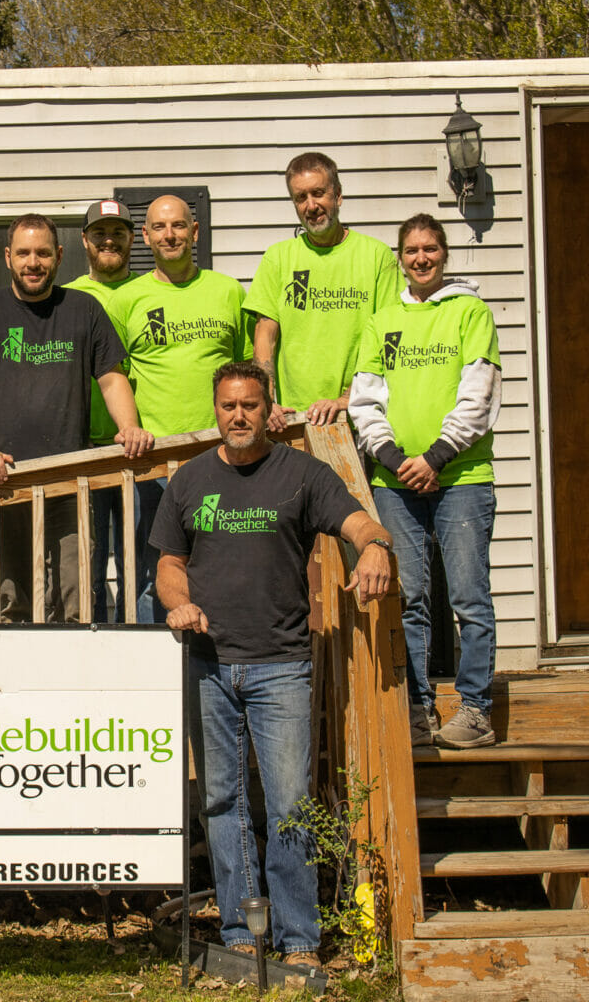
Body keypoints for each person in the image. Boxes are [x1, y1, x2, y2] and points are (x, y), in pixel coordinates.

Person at [151, 360, 393, 970]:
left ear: (268, 409)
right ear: (216, 409)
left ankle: (299, 939)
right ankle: (239, 934)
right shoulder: (189, 480)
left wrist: (376, 547)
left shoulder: (301, 474)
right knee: (221, 802)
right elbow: (169, 567)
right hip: (208, 664)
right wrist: (179, 606)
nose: (239, 416)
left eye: (250, 406)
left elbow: (356, 520)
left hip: (281, 664)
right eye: (229, 406)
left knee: (288, 803)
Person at [0, 213, 153, 622]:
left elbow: (112, 379)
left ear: (59, 256)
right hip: (2, 482)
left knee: (76, 601)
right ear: (8, 257)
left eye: (43, 253)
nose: (33, 262)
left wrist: (129, 427)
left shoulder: (83, 309)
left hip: (70, 480)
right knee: (9, 603)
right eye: (23, 253)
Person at [349, 214, 502, 748]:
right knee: (408, 598)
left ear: (444, 254)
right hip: (395, 486)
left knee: (468, 597)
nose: (421, 259)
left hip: (462, 477)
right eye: (411, 250)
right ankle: (418, 709)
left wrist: (434, 457)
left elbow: (478, 397)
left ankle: (476, 710)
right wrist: (394, 459)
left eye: (430, 249)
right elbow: (365, 400)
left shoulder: (471, 312)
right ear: (400, 258)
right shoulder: (381, 320)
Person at [106, 194, 251, 622]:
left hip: (220, 457)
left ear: (195, 231)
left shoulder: (227, 291)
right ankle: (158, 677)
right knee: (154, 574)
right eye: (159, 227)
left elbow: (245, 371)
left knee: (225, 564)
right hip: (153, 463)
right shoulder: (126, 301)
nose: (170, 235)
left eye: (178, 226)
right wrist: (129, 427)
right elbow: (113, 375)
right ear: (145, 237)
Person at [245, 151, 402, 430]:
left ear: (338, 195)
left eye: (318, 193)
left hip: (361, 418)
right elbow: (265, 335)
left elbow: (390, 337)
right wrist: (265, 401)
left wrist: (347, 398)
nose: (311, 205)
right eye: (300, 197)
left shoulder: (376, 256)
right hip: (295, 421)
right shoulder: (278, 258)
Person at [64, 199, 140, 621]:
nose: (108, 240)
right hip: (82, 448)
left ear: (132, 238)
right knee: (85, 563)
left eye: (118, 233)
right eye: (99, 233)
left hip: (137, 447)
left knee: (139, 560)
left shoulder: (149, 291)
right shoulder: (68, 297)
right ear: (84, 241)